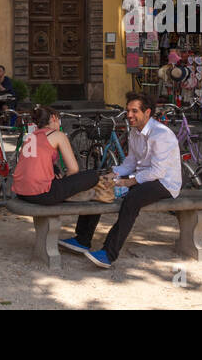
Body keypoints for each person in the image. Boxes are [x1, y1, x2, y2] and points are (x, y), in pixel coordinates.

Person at [78, 92, 183, 268]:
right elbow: (131, 163)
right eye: (128, 111)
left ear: (147, 112)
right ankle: (82, 239)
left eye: (134, 111)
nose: (129, 115)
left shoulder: (161, 134)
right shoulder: (135, 132)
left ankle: (108, 253)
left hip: (164, 183)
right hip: (144, 177)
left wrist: (128, 182)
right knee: (101, 185)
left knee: (132, 200)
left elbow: (157, 171)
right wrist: (113, 174)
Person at [10, 105, 107, 267]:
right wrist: (67, 180)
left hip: (21, 191)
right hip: (42, 194)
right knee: (92, 177)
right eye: (58, 118)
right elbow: (74, 169)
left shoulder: (31, 136)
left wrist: (60, 177)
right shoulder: (57, 135)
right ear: (54, 118)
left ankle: (82, 239)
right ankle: (83, 239)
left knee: (72, 182)